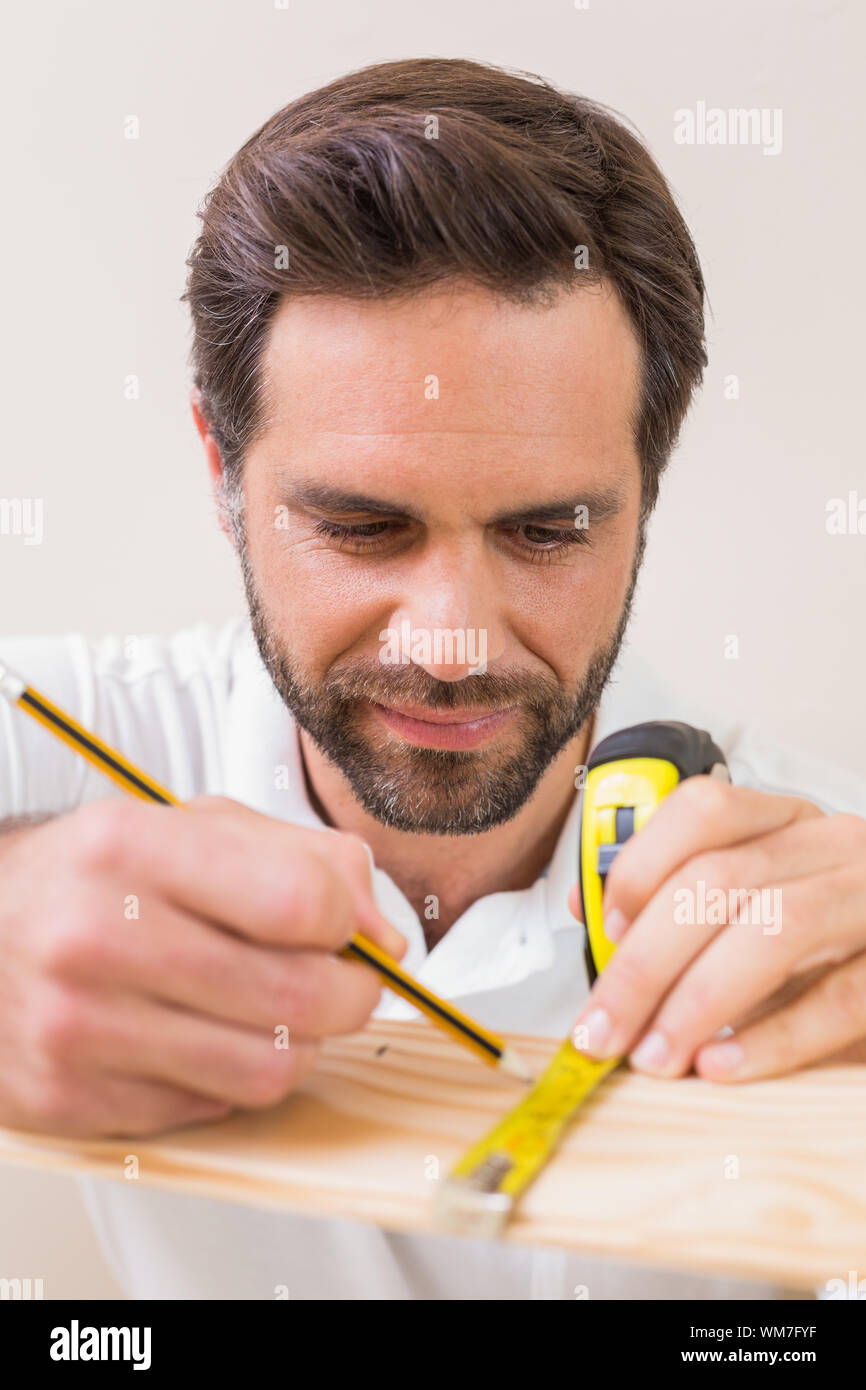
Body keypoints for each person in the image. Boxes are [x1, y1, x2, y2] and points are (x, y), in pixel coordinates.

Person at [1, 57, 864, 1301]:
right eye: (360, 528)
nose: (449, 639)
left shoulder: (822, 907)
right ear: (219, 469)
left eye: (546, 531)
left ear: (648, 491)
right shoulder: (83, 740)